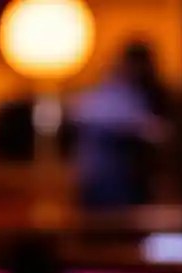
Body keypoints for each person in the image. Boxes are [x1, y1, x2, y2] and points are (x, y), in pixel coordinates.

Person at [70, 41, 172, 208]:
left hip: (130, 182)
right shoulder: (108, 96)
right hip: (101, 181)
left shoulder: (145, 96)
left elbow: (160, 133)